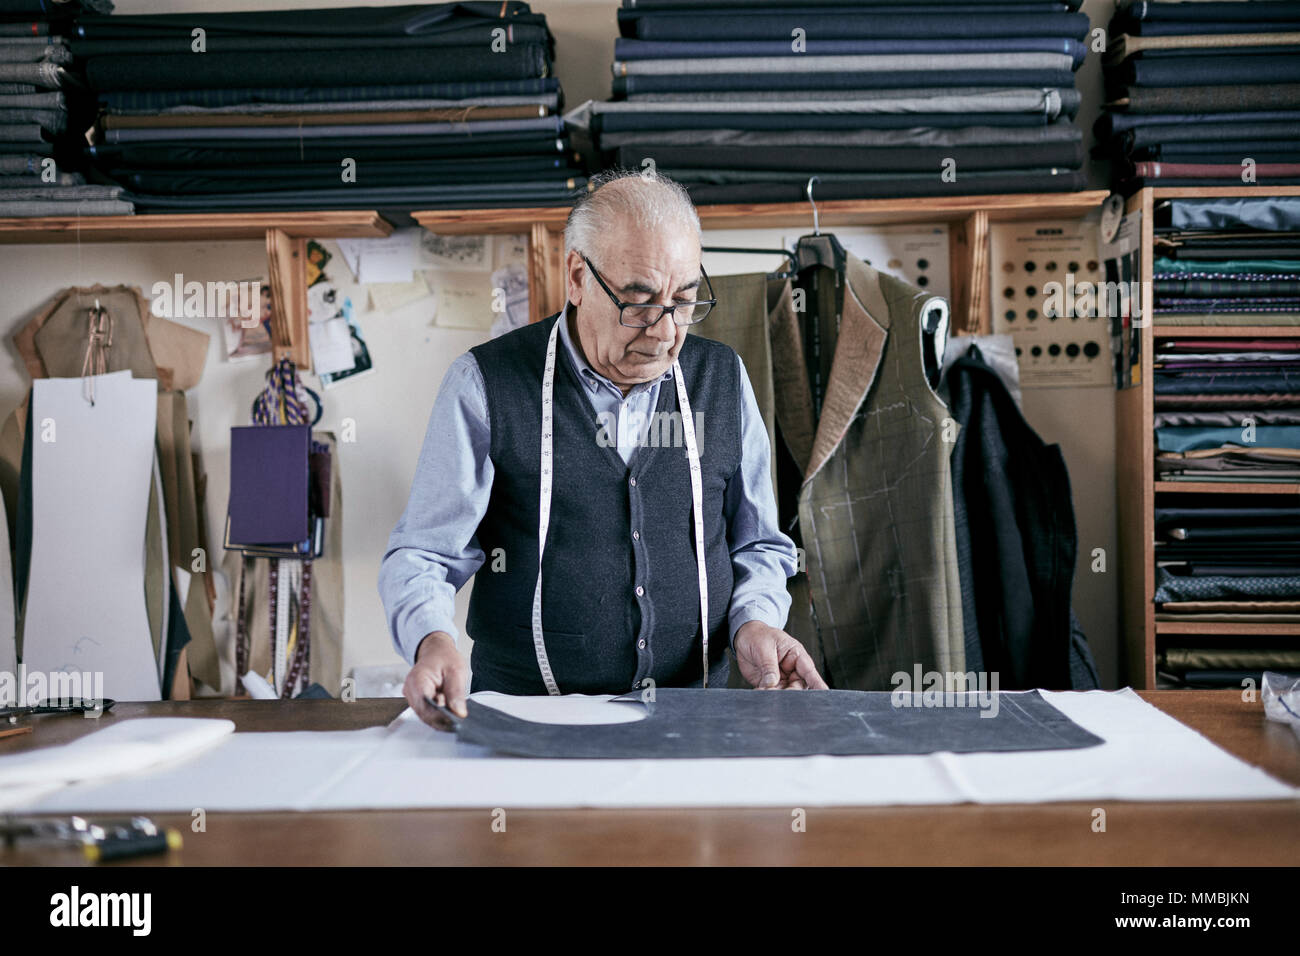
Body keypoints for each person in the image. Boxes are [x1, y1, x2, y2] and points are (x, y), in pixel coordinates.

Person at [380, 169, 826, 730]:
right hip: (525, 721)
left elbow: (759, 543)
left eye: (684, 301)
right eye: (639, 302)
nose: (665, 332)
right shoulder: (484, 384)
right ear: (577, 277)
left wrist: (755, 622)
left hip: (694, 719)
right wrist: (431, 639)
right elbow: (424, 554)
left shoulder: (724, 380)